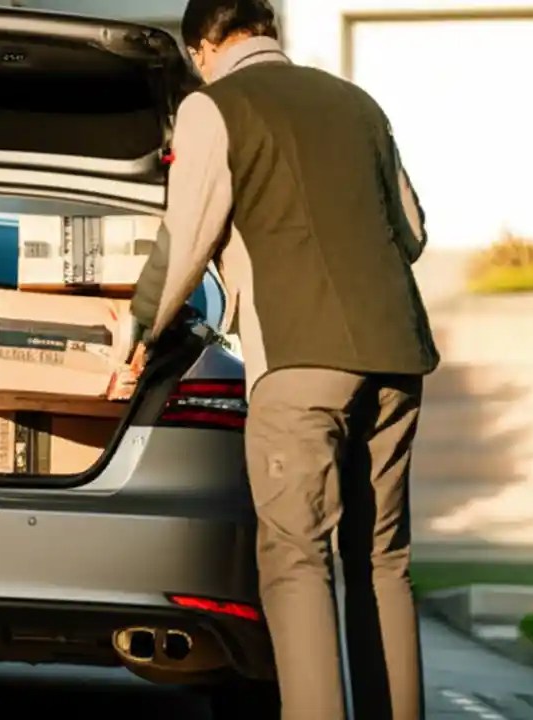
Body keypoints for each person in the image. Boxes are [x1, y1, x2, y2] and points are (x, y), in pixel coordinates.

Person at [130, 1, 439, 718]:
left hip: (300, 366)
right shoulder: (357, 103)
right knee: (381, 561)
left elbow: (185, 241)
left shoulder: (216, 107)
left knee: (296, 561)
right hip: (397, 357)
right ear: (269, 31)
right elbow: (413, 233)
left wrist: (135, 329)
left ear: (204, 46)